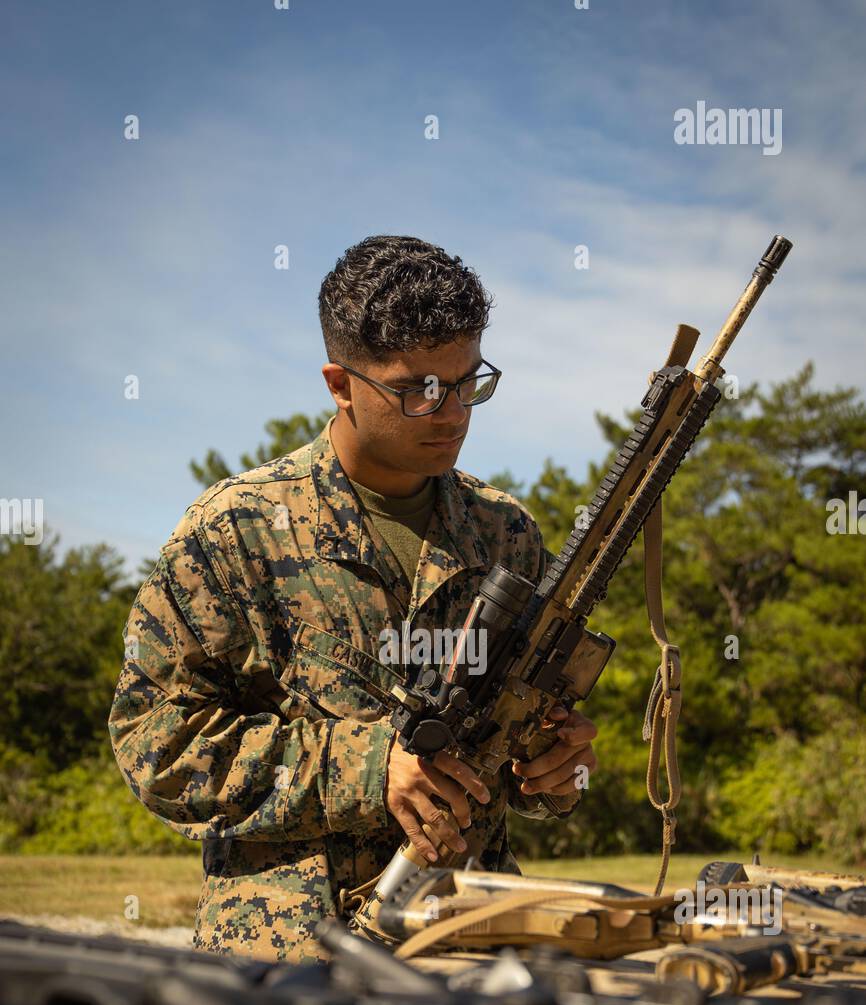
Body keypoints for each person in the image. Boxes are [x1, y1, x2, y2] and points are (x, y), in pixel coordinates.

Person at [108, 234, 598, 962]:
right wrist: (370, 767)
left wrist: (555, 770)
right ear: (340, 384)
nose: (453, 411)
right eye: (418, 389)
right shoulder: (235, 531)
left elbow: (518, 748)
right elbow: (154, 743)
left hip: (472, 941)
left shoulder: (505, 533)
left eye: (468, 382)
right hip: (291, 962)